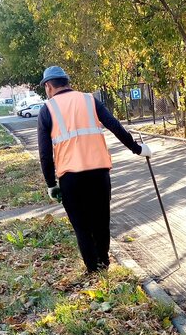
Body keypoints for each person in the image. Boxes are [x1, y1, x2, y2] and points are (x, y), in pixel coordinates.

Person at [37, 66, 152, 273]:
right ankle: (104, 262)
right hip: (99, 174)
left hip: (70, 179)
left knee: (81, 226)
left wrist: (51, 185)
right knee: (101, 221)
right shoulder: (89, 100)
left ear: (48, 86)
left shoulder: (47, 110)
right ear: (67, 81)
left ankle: (93, 269)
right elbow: (115, 126)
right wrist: (137, 149)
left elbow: (45, 154)